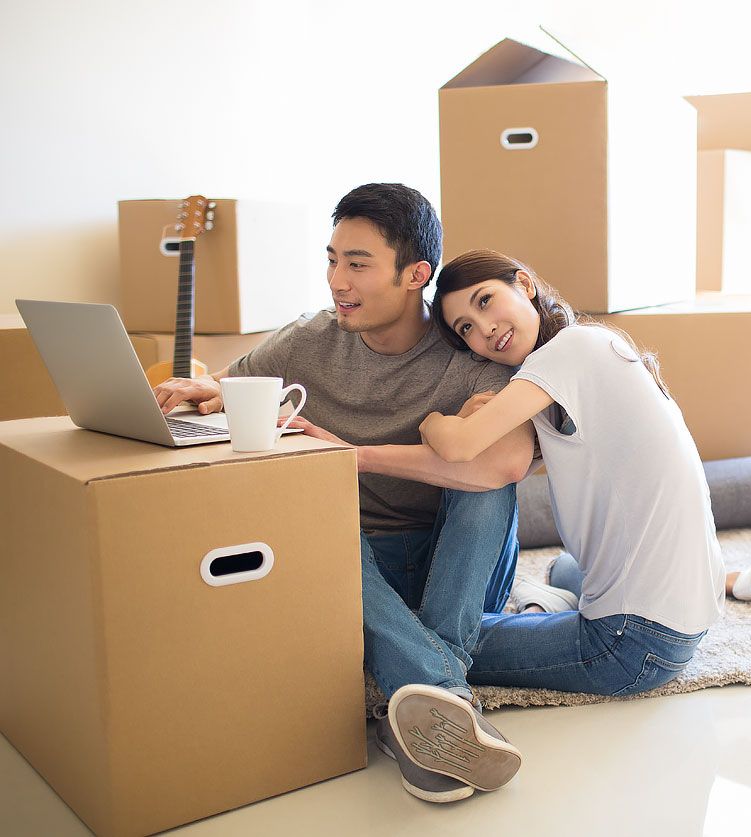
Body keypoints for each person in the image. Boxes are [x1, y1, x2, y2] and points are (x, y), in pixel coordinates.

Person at [151, 185, 531, 804]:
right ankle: (444, 698)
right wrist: (204, 388)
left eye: (357, 264)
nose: (336, 281)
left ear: (416, 274)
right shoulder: (310, 340)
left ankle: (418, 685)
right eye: (331, 260)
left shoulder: (473, 352)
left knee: (487, 485)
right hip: (355, 572)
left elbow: (508, 465)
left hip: (452, 575)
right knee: (308, 514)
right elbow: (233, 382)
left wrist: (351, 452)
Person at [418, 248, 728, 704]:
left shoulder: (568, 351)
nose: (485, 329)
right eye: (466, 328)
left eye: (485, 301)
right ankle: (548, 605)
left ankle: (542, 611)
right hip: (690, 619)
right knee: (564, 569)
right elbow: (501, 462)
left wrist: (433, 421)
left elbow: (460, 447)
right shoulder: (587, 350)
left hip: (634, 644)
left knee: (434, 644)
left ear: (525, 285)